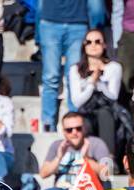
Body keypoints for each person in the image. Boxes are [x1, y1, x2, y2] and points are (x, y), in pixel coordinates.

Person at [70, 29, 128, 156]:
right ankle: (86, 159)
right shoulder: (75, 69)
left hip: (108, 110)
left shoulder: (114, 67)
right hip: (85, 110)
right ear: (84, 46)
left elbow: (113, 96)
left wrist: (100, 84)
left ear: (104, 45)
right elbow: (77, 101)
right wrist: (91, 83)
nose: (93, 45)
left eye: (97, 41)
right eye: (89, 42)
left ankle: (108, 160)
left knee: (104, 114)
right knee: (83, 121)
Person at [37, 0, 90, 132]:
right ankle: (48, 125)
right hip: (50, 21)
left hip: (78, 22)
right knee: (50, 78)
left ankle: (75, 124)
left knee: (75, 77)